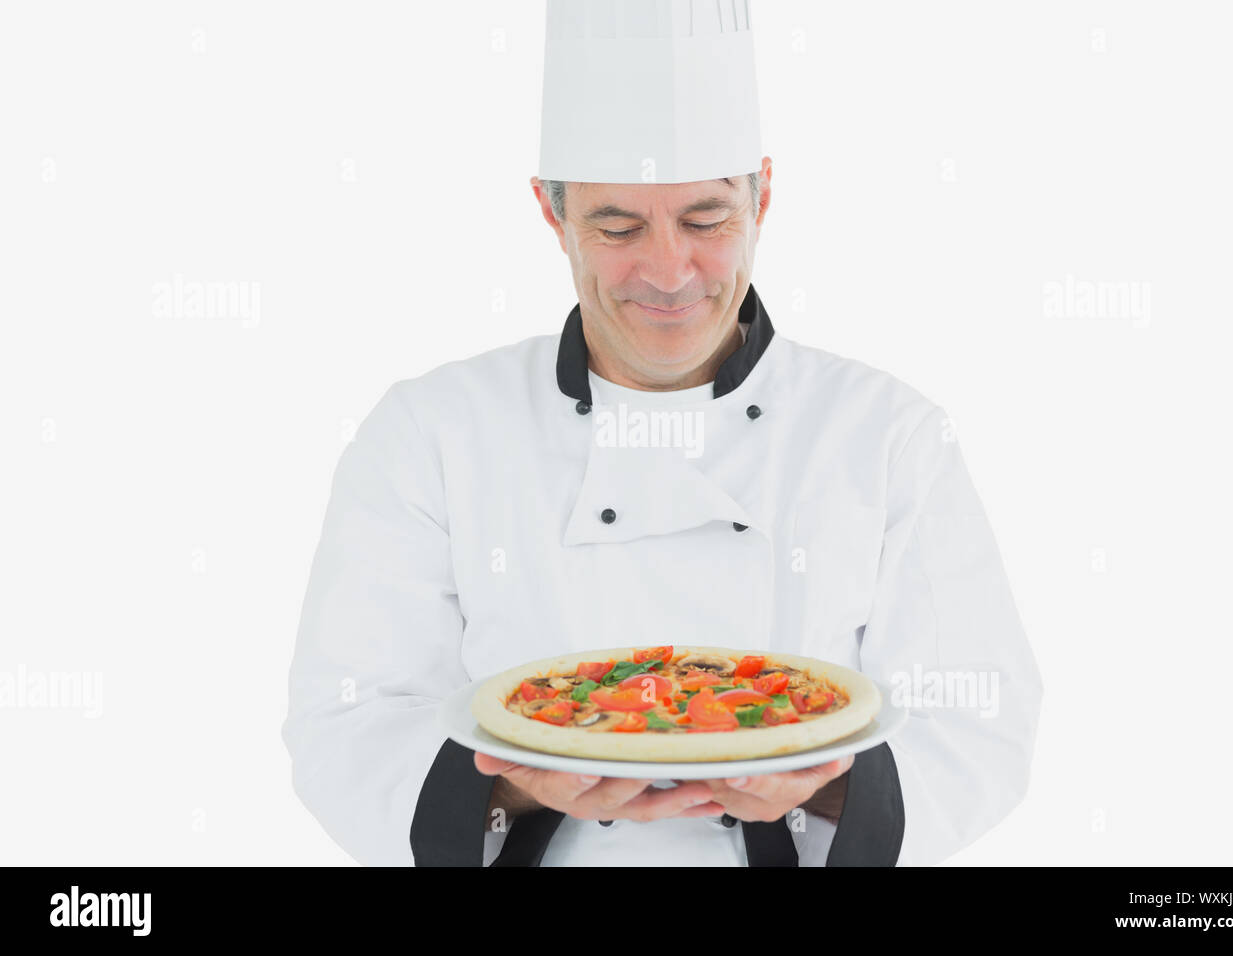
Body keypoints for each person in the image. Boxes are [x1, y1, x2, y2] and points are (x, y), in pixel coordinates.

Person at [281, 0, 1043, 867]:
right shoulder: (430, 431)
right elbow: (347, 721)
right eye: (617, 227)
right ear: (549, 212)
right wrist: (522, 779)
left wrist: (818, 774)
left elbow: (981, 725)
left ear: (764, 195)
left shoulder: (890, 434)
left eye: (707, 220)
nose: (669, 272)